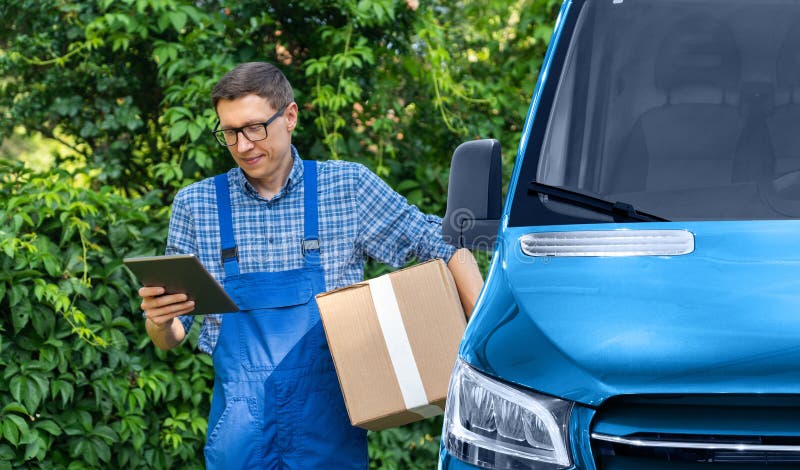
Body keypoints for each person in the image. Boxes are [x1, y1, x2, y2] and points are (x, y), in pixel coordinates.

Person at [138, 61, 483, 469]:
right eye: (229, 133)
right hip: (240, 440)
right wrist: (159, 322)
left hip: (328, 435)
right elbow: (173, 334)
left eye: (253, 128)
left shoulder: (346, 188)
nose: (242, 145)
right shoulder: (197, 205)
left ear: (289, 116)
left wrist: (484, 342)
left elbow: (443, 244)